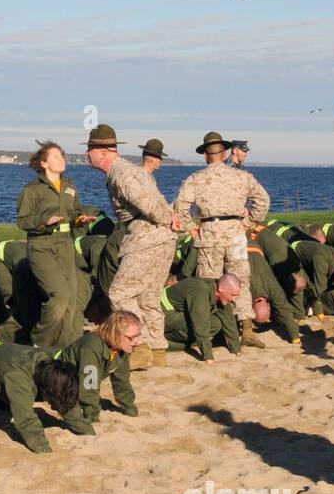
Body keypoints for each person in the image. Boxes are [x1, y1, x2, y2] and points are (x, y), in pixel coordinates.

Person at [87, 125, 180, 367]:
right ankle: (159, 351)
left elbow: (146, 202)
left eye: (90, 148)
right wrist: (170, 221)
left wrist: (167, 218)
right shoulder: (131, 171)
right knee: (149, 298)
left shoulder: (121, 173)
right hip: (162, 238)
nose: (87, 154)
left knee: (120, 293)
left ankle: (141, 346)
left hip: (146, 236)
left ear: (103, 152)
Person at [174, 131, 271, 348]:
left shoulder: (196, 179)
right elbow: (263, 200)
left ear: (205, 155)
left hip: (209, 233)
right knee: (241, 280)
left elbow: (180, 207)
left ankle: (213, 328)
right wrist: (248, 223)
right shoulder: (242, 176)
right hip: (235, 233)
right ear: (225, 152)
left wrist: (191, 228)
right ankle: (246, 329)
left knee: (210, 283)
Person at [16, 140, 92, 350]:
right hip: (41, 246)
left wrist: (80, 220)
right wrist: (44, 222)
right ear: (43, 163)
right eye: (56, 157)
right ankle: (39, 345)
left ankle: (67, 349)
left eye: (63, 156)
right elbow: (23, 221)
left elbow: (75, 212)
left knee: (72, 302)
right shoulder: (31, 190)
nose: (62, 160)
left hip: (65, 246)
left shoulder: (69, 186)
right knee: (59, 297)